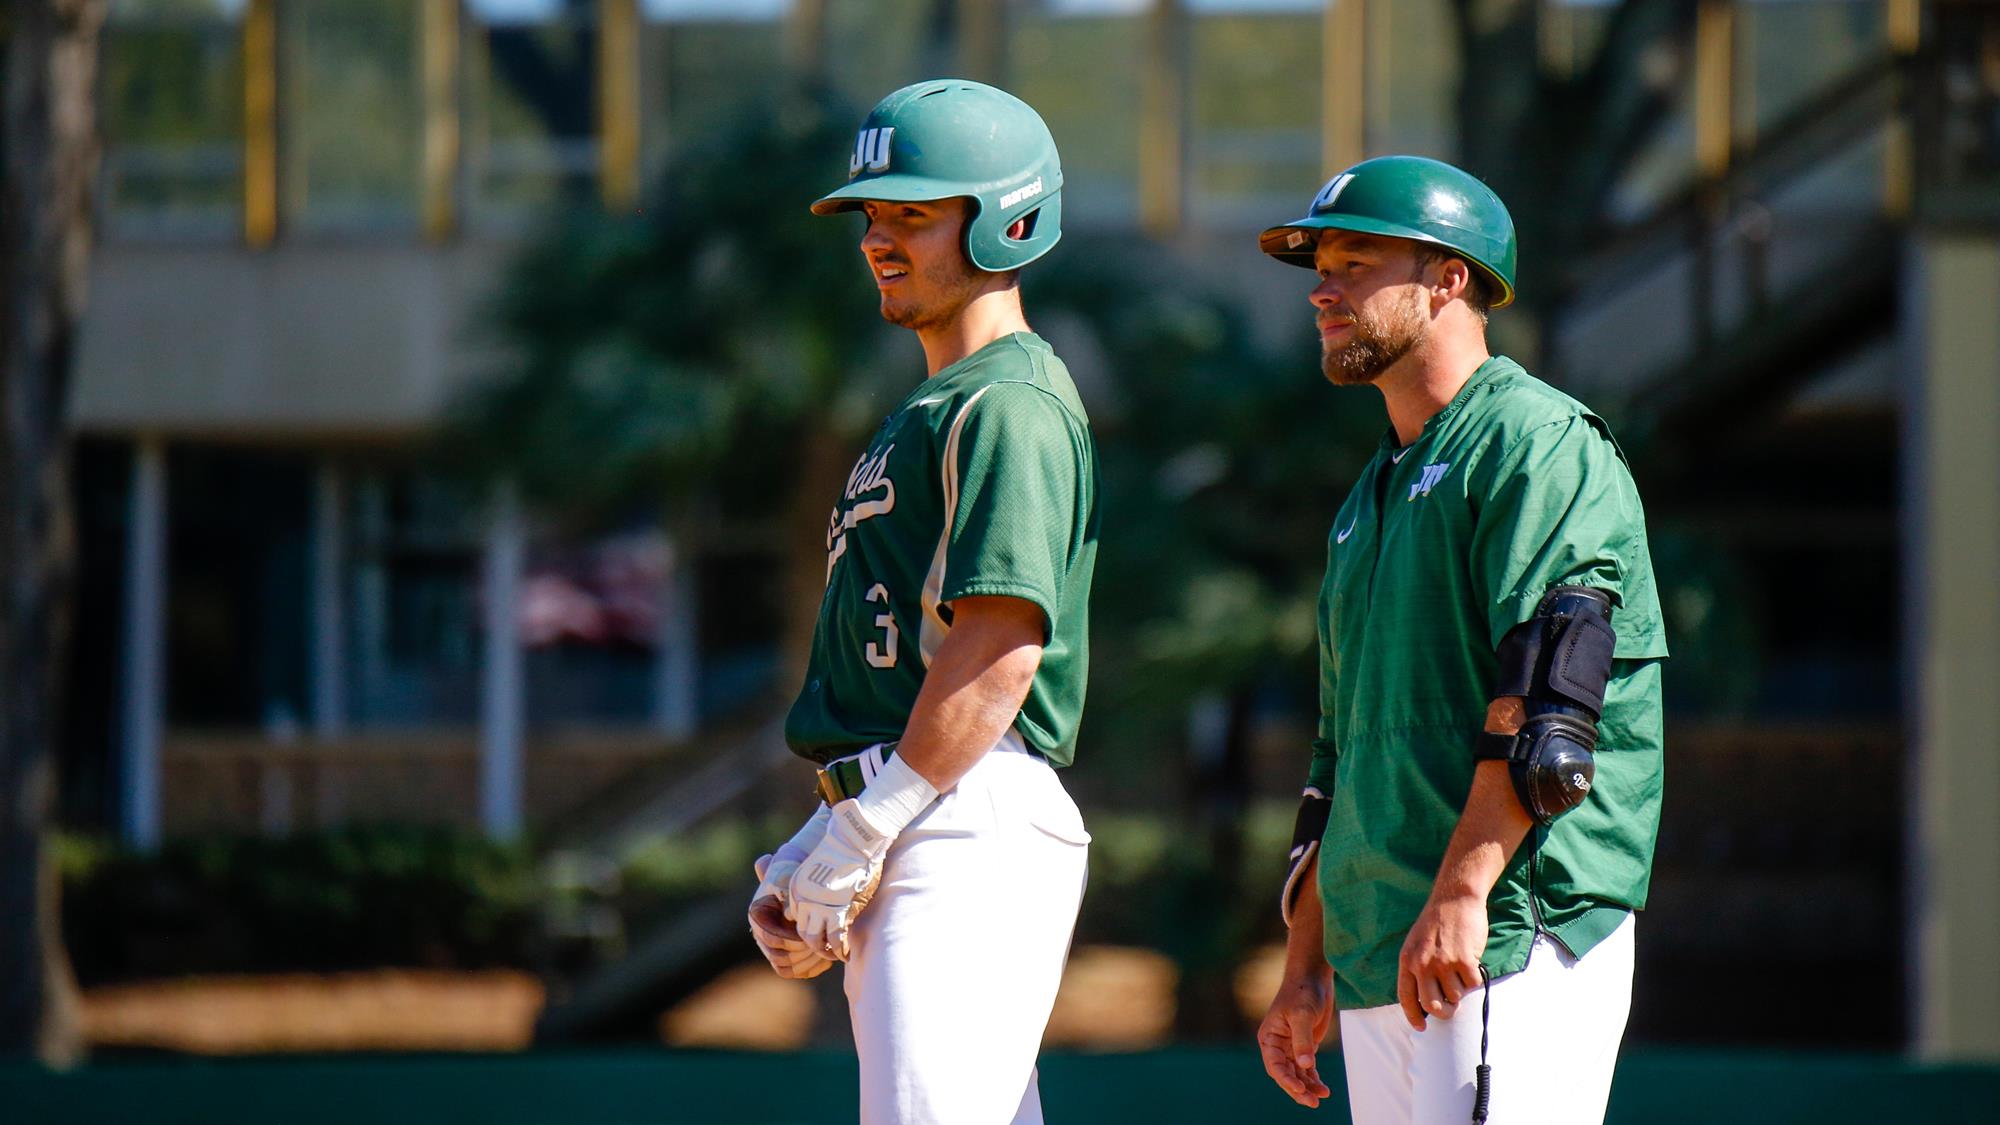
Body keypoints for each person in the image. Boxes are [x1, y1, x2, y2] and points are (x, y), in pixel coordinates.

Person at [1251, 155, 1668, 1125]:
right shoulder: (1372, 491)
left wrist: (1462, 893)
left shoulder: (1536, 442)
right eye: (1320, 267)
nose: (1322, 289)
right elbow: (1338, 758)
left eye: (1354, 263)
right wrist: (1306, 963)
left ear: (1447, 278)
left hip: (1504, 925)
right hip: (1377, 949)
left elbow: (1551, 707)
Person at [745, 79, 1098, 1125]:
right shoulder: (937, 403)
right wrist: (831, 835)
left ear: (1008, 219)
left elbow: (997, 648)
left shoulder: (1006, 400)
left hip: (965, 810)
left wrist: (868, 828)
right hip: (929, 805)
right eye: (870, 214)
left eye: (912, 212)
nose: (876, 238)